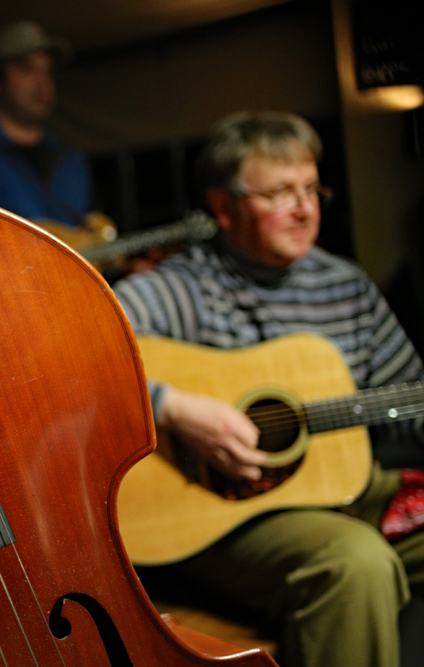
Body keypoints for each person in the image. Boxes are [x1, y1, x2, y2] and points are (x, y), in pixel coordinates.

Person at [112, 111, 424, 667]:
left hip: (346, 488)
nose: (305, 209)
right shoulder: (180, 289)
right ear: (223, 207)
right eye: (280, 193)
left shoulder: (346, 286)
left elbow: (407, 397)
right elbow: (79, 358)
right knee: (355, 563)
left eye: (311, 189)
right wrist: (175, 408)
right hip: (220, 511)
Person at [0, 21, 108, 248]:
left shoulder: (71, 157)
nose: (42, 83)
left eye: (47, 72)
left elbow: (99, 236)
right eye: (27, 70)